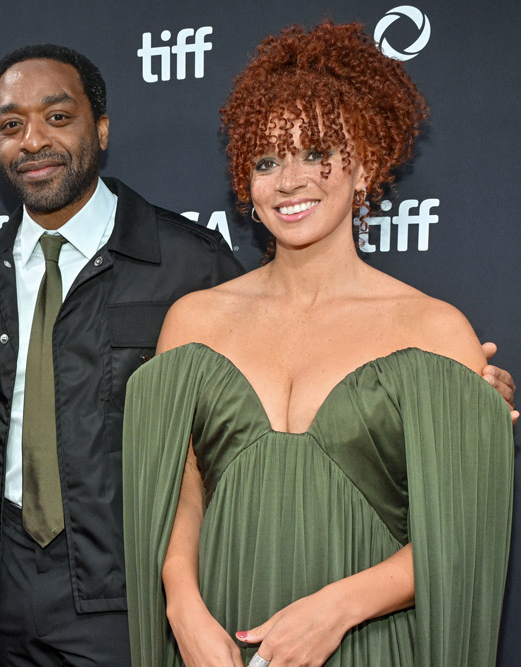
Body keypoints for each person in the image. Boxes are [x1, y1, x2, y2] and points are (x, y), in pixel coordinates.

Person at [123, 22, 515, 667]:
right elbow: (180, 487)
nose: (288, 181)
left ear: (364, 166)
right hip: (221, 633)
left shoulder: (434, 329)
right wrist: (182, 606)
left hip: (368, 638)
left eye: (315, 153)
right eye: (266, 161)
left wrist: (336, 610)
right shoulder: (194, 320)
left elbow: (464, 530)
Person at [0, 44, 244, 664]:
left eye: (57, 117)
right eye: (12, 125)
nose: (33, 140)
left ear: (103, 129)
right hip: (4, 593)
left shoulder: (190, 263)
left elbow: (268, 407)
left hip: (134, 591)